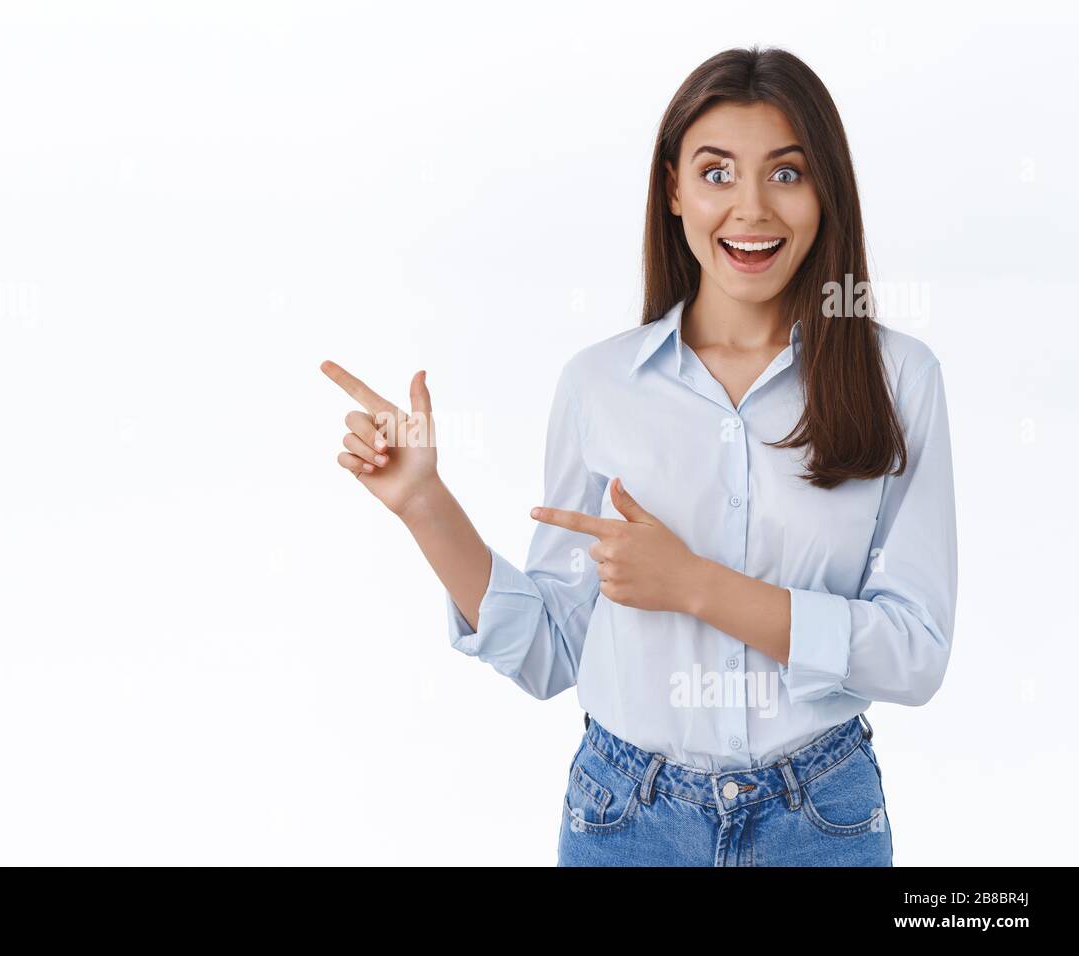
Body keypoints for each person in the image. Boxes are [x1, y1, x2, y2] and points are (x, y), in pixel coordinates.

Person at [320, 45, 956, 866]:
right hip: (628, 822)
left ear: (826, 189)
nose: (751, 209)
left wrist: (697, 586)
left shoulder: (898, 379)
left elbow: (914, 654)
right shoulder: (599, 386)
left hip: (821, 819)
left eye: (787, 173)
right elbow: (552, 651)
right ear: (674, 191)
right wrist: (423, 504)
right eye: (717, 173)